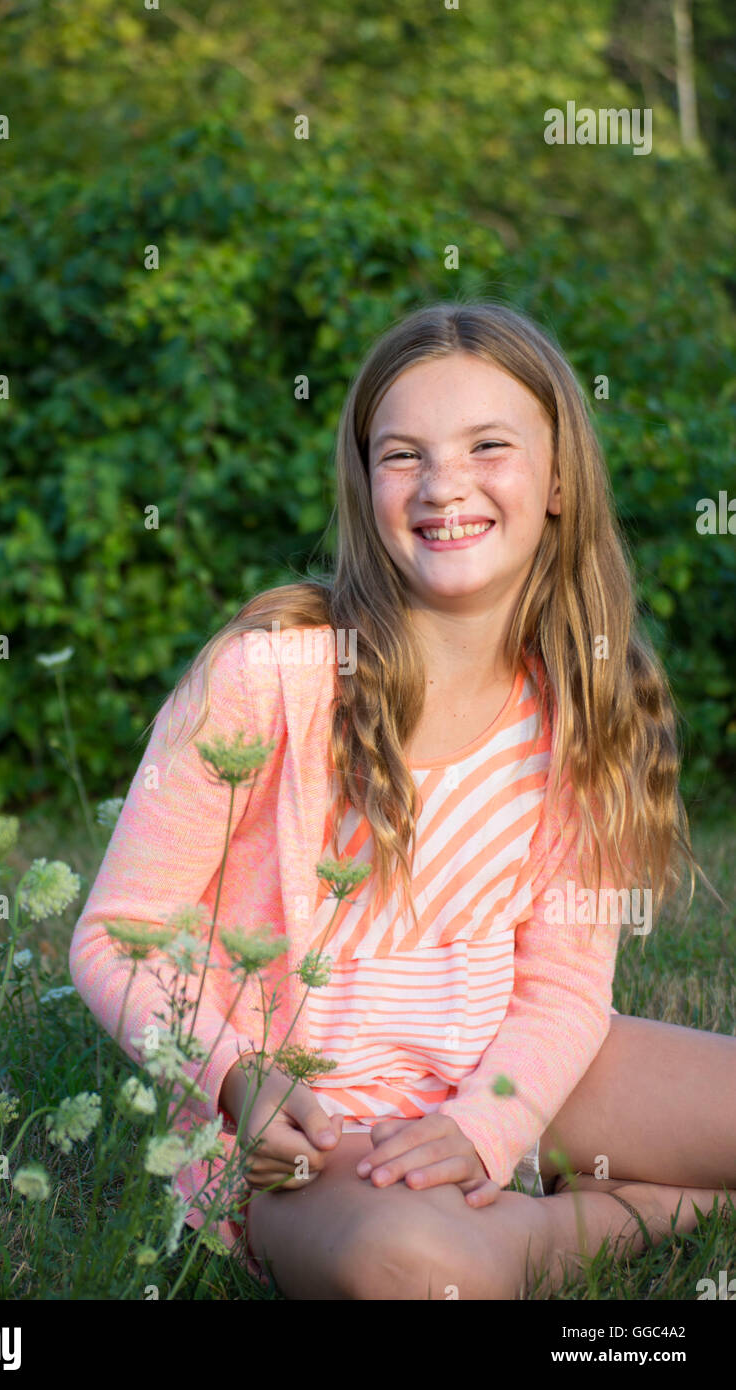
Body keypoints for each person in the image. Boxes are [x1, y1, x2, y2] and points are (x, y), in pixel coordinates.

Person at [69, 300, 735, 1300]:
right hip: (311, 1130)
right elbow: (120, 931)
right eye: (401, 454)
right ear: (363, 481)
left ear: (556, 481)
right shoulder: (265, 680)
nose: (443, 485)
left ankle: (530, 1178)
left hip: (501, 1070)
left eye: (488, 446)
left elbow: (560, 991)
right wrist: (236, 1079)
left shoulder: (586, 706)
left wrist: (486, 1125)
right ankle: (608, 1217)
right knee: (417, 1272)